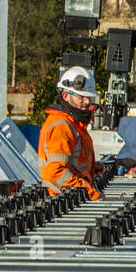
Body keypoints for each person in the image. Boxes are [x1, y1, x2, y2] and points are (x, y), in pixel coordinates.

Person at [38, 66, 102, 200]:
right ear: (66, 96)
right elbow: (56, 173)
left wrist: (91, 168)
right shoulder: (62, 126)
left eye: (89, 97)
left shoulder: (73, 124)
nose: (87, 101)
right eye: (82, 97)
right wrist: (91, 194)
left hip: (70, 197)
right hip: (62, 199)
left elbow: (72, 160)